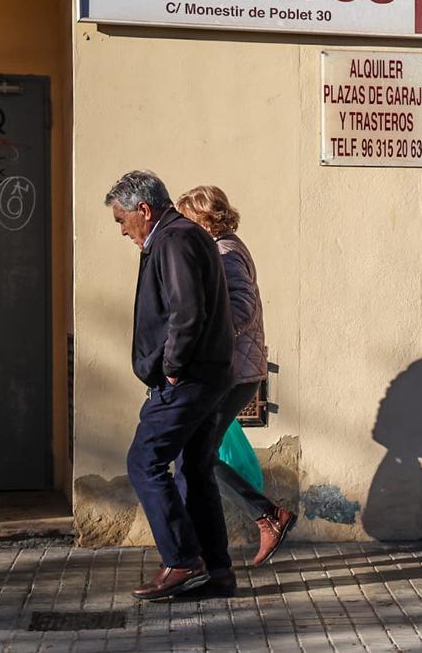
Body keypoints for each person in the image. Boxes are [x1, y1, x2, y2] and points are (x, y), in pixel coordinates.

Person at [105, 170, 235, 600]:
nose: (122, 229)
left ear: (144, 209)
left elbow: (187, 312)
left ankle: (182, 560)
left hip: (188, 378)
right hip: (206, 374)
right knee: (195, 472)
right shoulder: (179, 236)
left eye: (123, 219)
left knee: (145, 462)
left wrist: (173, 366)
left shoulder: (174, 240)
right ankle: (217, 571)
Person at [173, 185, 297, 571]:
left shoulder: (224, 252)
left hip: (233, 373)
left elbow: (241, 310)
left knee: (193, 455)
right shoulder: (225, 247)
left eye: (186, 219)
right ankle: (252, 522)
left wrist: (204, 338)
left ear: (203, 219)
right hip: (235, 372)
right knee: (193, 455)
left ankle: (263, 517)